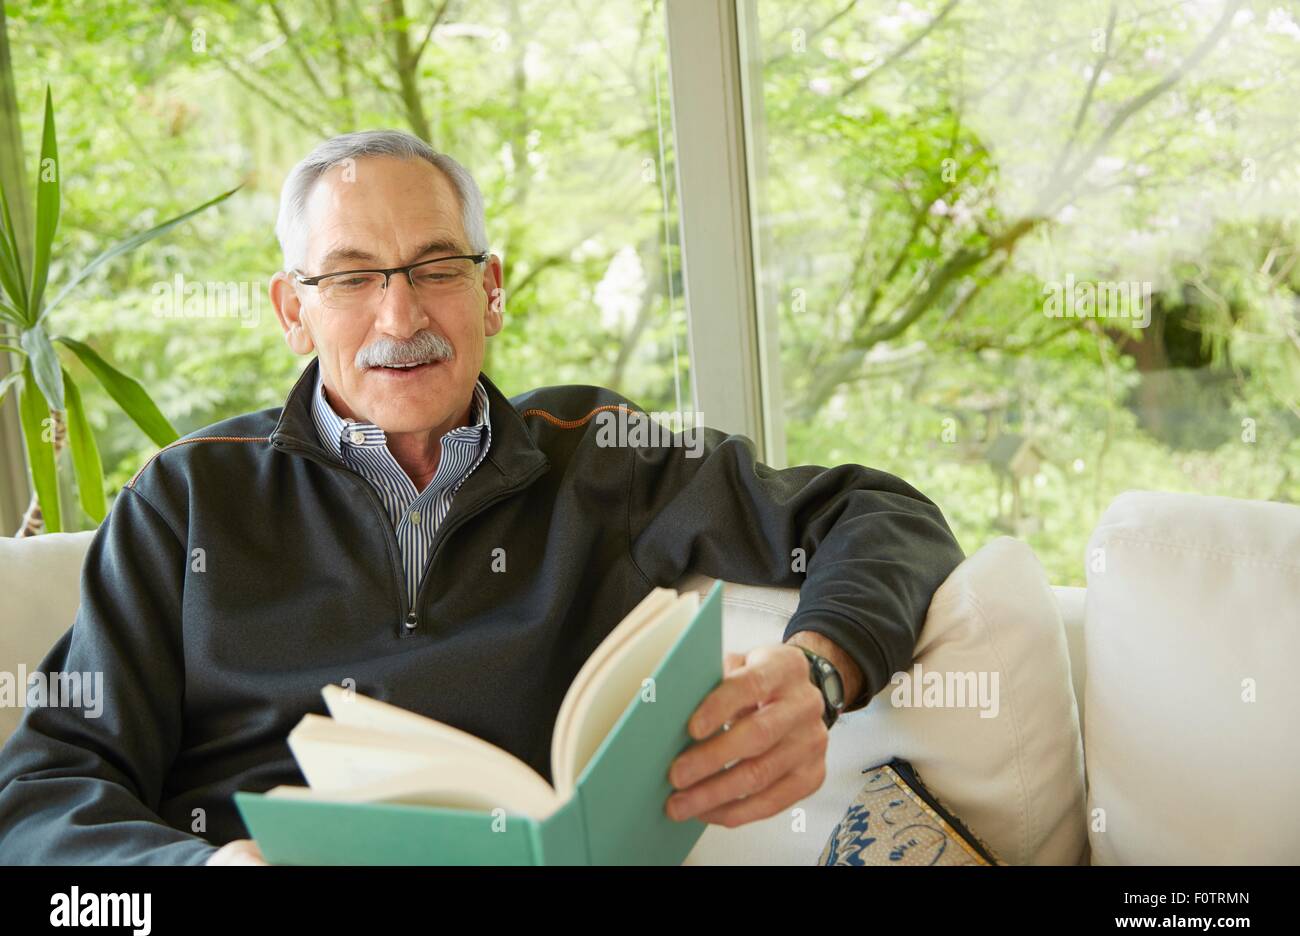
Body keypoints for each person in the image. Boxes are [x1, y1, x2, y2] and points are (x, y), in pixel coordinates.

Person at [0, 130, 965, 865]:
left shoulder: (601, 457)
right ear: (293, 311)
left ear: (491, 291)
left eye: (437, 267)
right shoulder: (188, 497)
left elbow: (883, 513)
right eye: (351, 278)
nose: (402, 314)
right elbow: (44, 791)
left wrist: (821, 674)